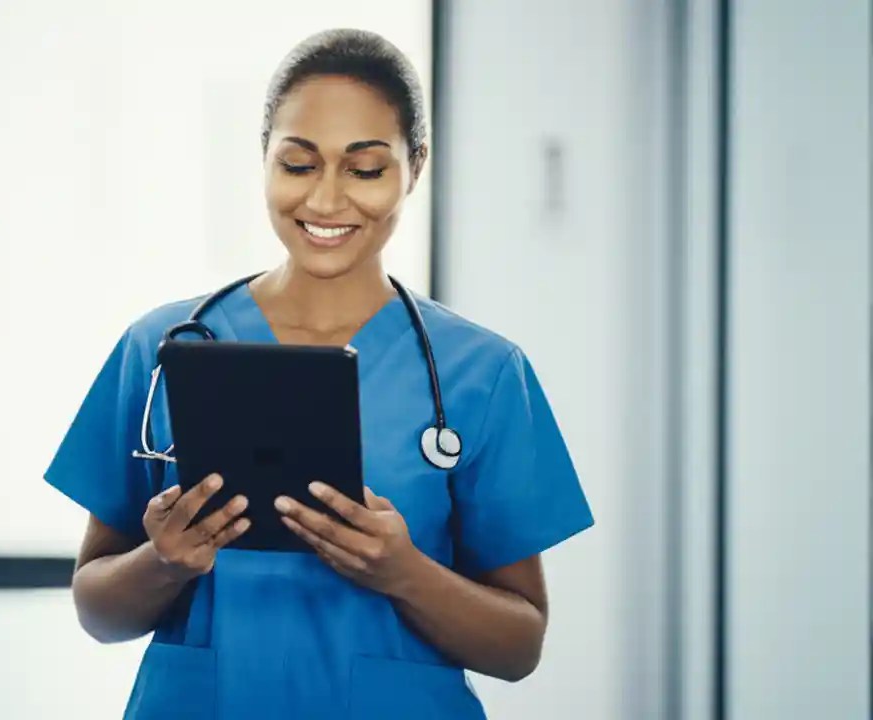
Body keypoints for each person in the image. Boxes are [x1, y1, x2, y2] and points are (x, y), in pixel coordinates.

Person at [44, 28, 594, 719]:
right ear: (265, 159)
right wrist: (165, 561)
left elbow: (520, 647)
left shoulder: (482, 374)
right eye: (299, 164)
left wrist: (404, 574)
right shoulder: (163, 348)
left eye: (365, 169)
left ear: (414, 166)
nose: (328, 201)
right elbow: (97, 610)